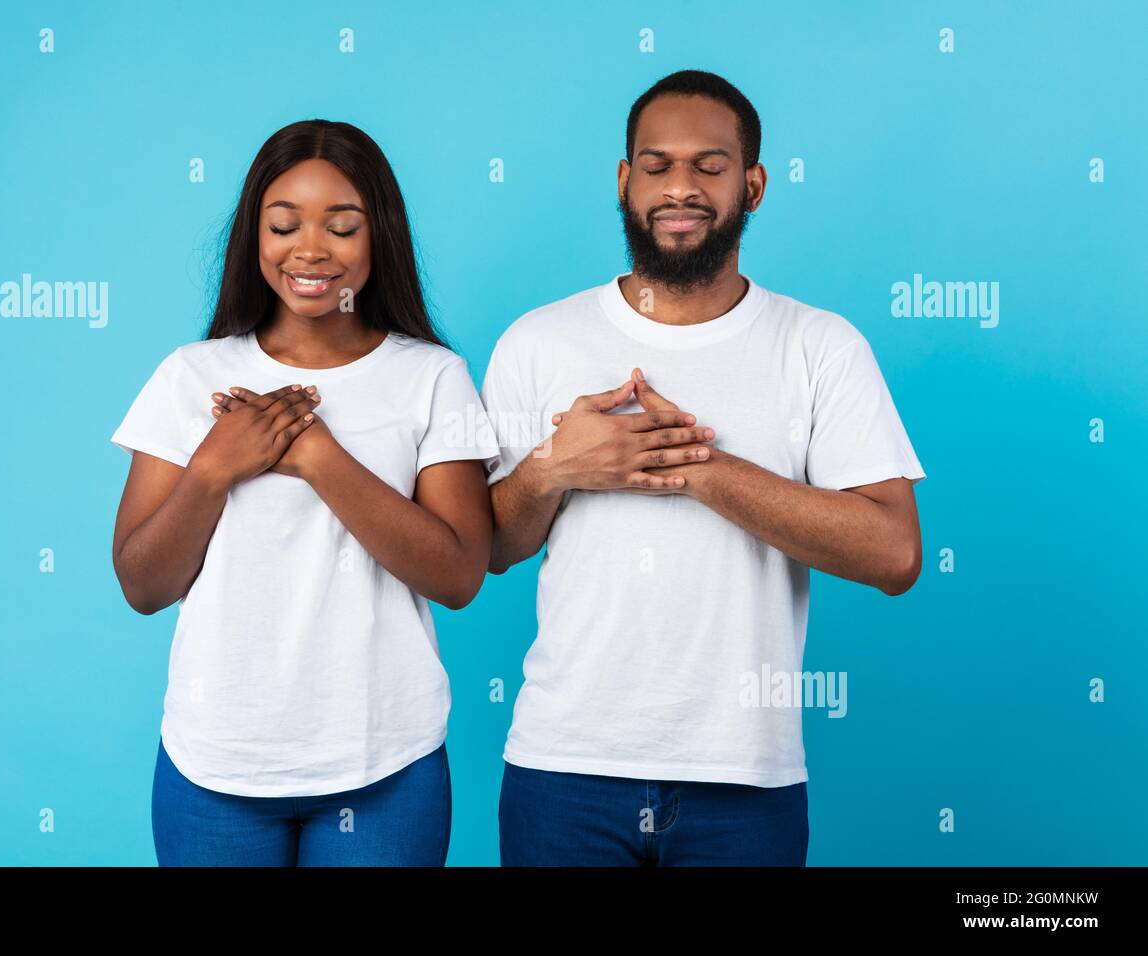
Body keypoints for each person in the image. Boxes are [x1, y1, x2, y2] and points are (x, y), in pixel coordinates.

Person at [481, 70, 926, 866]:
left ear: (752, 185)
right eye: (655, 166)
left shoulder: (820, 346)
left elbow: (894, 555)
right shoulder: (537, 341)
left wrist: (701, 469)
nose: (679, 187)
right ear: (624, 181)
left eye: (709, 166)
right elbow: (487, 549)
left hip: (744, 777)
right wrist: (553, 468)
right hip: (564, 766)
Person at [110, 119, 498, 866]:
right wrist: (214, 468)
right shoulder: (190, 377)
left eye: (341, 226)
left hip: (387, 760)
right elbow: (142, 584)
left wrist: (320, 458)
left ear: (377, 235)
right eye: (284, 224)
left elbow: (457, 576)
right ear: (255, 237)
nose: (310, 250)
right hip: (214, 764)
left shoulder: (432, 377)